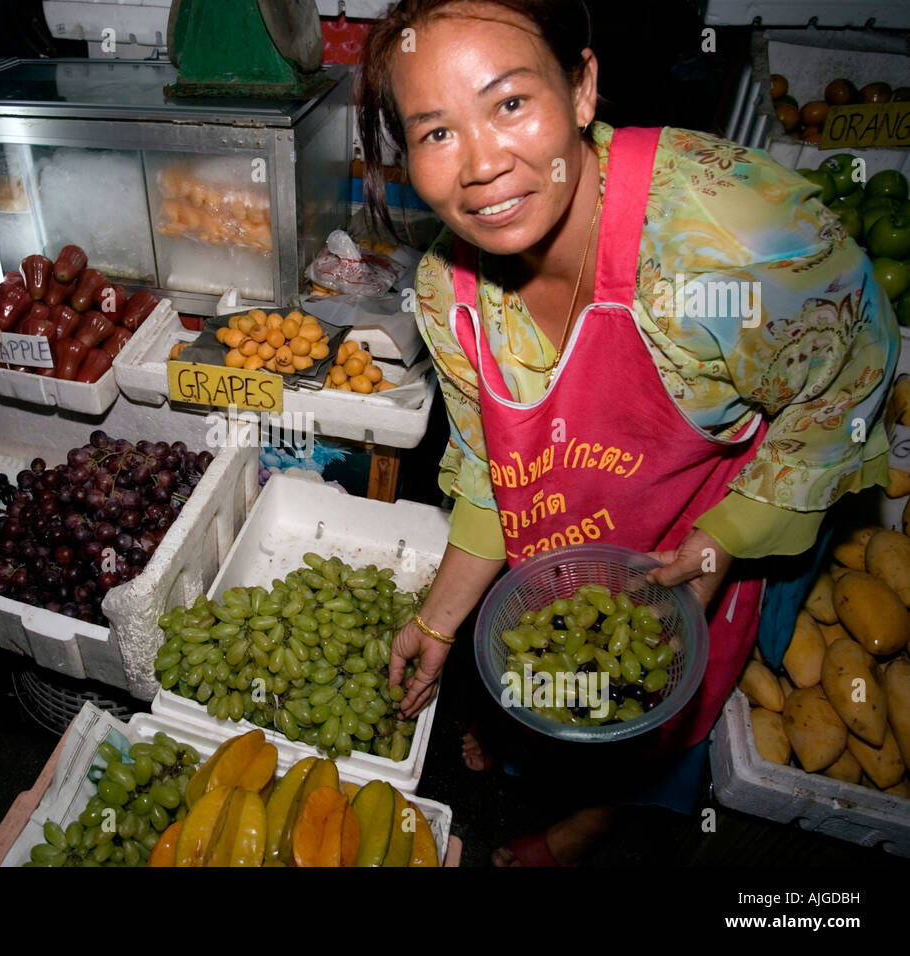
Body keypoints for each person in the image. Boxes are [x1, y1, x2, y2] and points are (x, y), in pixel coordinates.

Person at [359, 0, 899, 865]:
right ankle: (552, 769)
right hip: (565, 547)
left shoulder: (727, 239)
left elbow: (849, 371)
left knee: (665, 714)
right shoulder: (447, 292)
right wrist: (440, 622)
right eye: (435, 133)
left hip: (707, 538)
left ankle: (602, 821)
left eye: (509, 104)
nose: (483, 164)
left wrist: (725, 543)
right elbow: (491, 473)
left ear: (582, 88)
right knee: (567, 686)